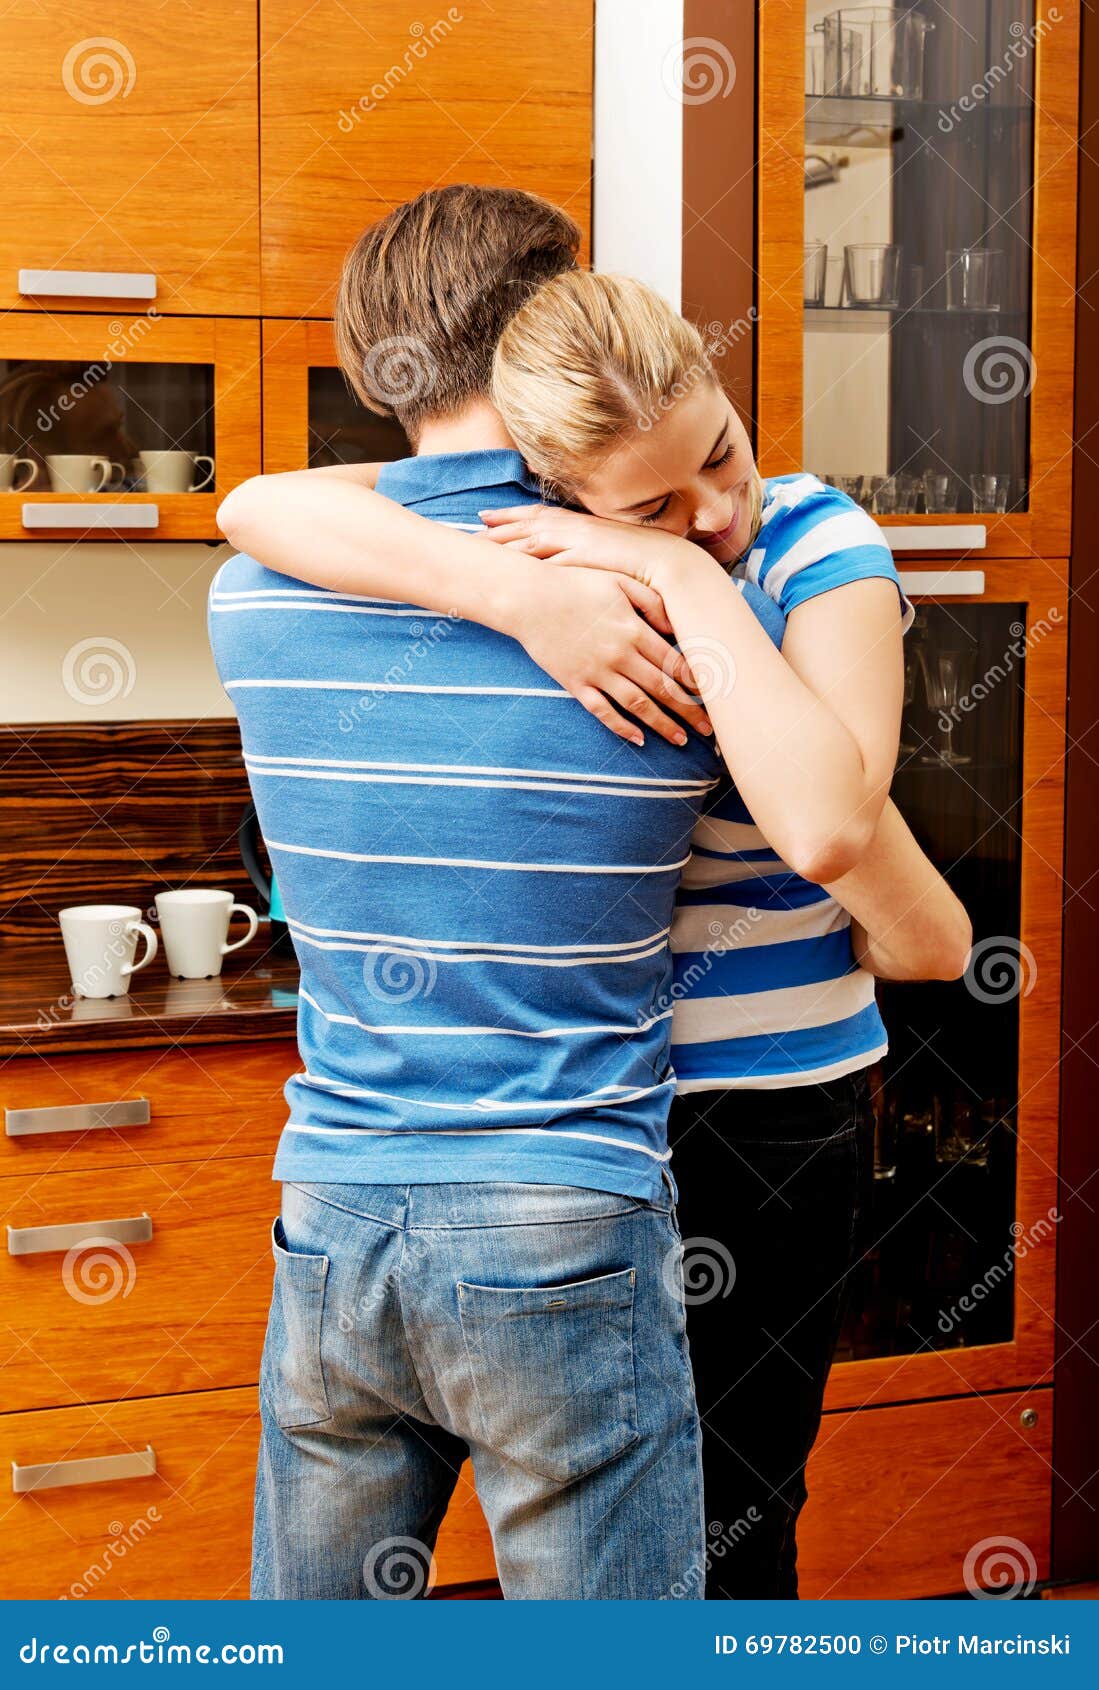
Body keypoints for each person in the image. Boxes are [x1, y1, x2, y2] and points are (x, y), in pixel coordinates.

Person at [218, 192, 971, 1600]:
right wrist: (529, 596)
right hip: (590, 1141)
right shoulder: (538, 567)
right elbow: (252, 500)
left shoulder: (792, 547)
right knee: (636, 1559)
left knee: (734, 1521)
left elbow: (849, 841)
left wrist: (675, 564)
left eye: (724, 455)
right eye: (658, 500)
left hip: (750, 1118)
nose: (721, 504)